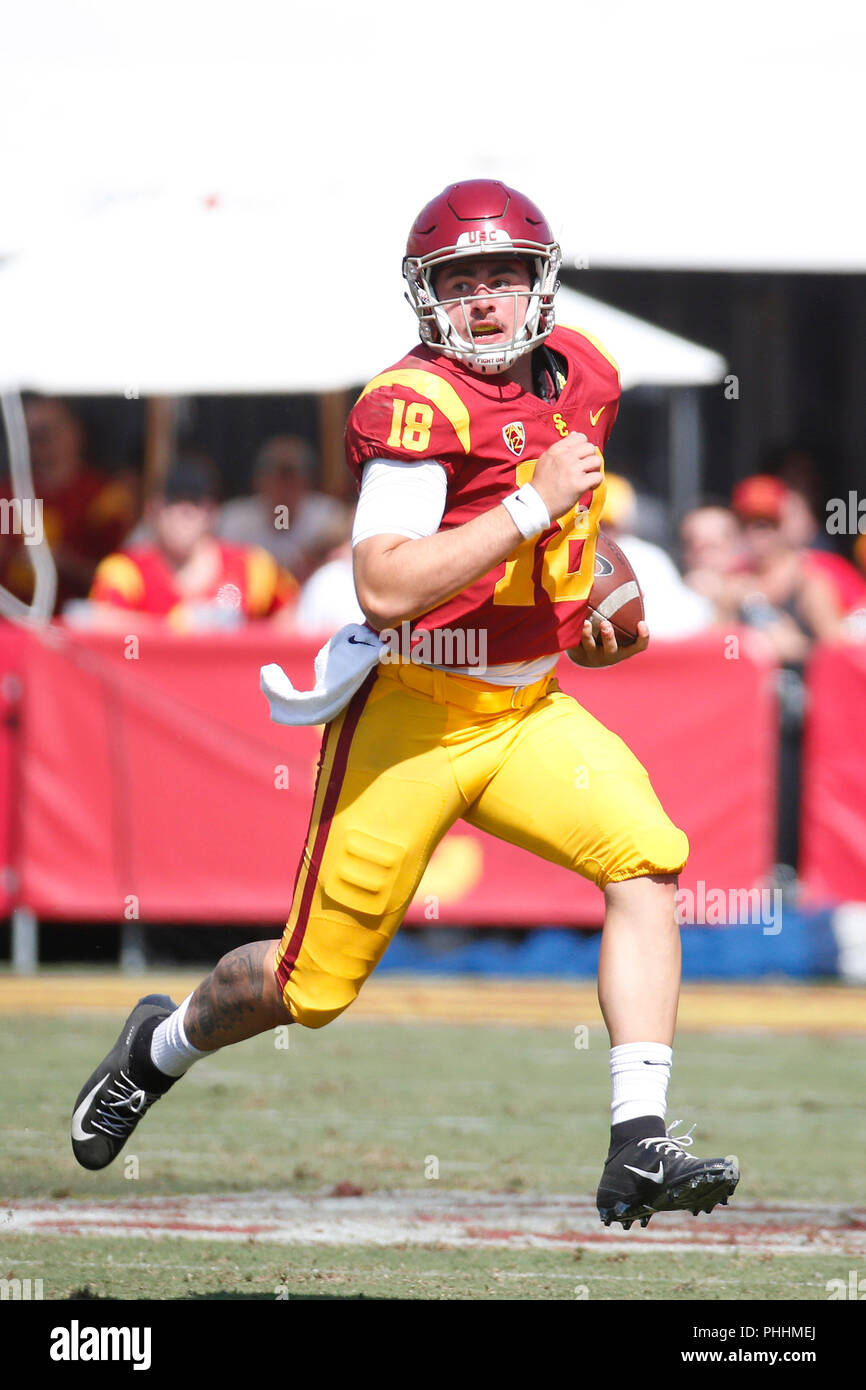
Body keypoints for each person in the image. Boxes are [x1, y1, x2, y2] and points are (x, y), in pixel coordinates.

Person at [70, 180, 739, 1231]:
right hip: (413, 714)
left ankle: (636, 1138)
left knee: (645, 859)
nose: (481, 302)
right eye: (459, 283)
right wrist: (531, 504)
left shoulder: (586, 378)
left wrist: (594, 598)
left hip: (524, 711)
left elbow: (562, 544)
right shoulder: (413, 402)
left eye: (501, 279)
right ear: (428, 298)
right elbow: (384, 583)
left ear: (540, 286)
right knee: (308, 988)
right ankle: (158, 1044)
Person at [86, 458, 297, 630]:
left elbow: (294, 617)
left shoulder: (252, 566)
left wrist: (246, 638)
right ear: (152, 510)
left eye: (195, 502)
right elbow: (99, 622)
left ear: (212, 512)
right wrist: (172, 628)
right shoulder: (125, 570)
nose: (183, 512)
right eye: (172, 501)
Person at [0, 395, 135, 613]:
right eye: (31, 435)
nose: (39, 443)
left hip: (75, 622)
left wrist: (63, 562)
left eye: (47, 432)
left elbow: (122, 577)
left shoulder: (104, 497)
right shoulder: (9, 494)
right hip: (11, 624)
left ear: (75, 432)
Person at [217, 435, 349, 582]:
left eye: (291, 479)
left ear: (307, 482)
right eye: (276, 478)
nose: (283, 488)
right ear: (258, 482)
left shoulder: (329, 517)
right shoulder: (234, 521)